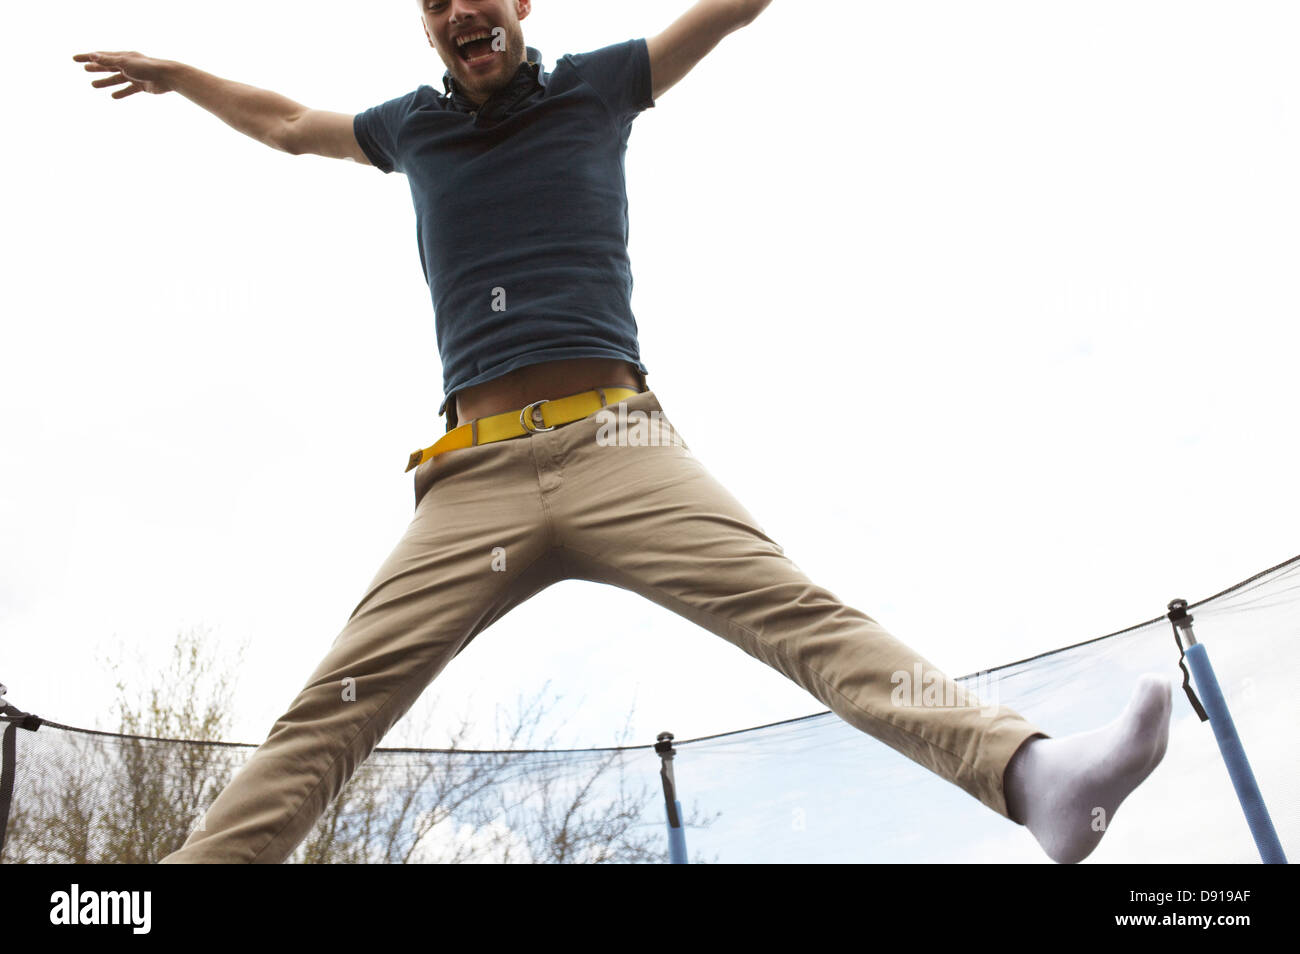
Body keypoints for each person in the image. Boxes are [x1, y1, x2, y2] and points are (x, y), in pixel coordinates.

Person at [75, 0, 1172, 865]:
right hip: (474, 479)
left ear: (521, 4)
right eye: (438, 1)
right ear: (426, 24)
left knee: (800, 615)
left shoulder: (597, 87)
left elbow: (730, 9)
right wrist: (180, 78)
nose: (464, 12)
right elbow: (284, 125)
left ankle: (1034, 778)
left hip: (621, 447)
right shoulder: (410, 127)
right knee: (336, 704)